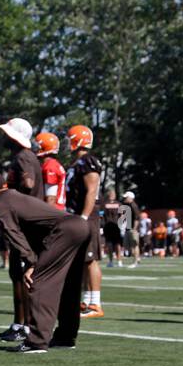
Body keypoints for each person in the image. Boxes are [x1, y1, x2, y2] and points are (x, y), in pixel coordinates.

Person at [0, 171, 87, 353]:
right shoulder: (14, 196)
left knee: (40, 283)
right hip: (79, 226)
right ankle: (65, 337)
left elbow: (13, 233)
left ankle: (36, 341)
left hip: (65, 231)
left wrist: (30, 263)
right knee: (69, 287)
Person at [0, 117, 41, 342]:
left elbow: (29, 183)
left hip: (25, 225)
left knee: (23, 275)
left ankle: (27, 325)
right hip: (22, 223)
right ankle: (19, 323)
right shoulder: (23, 156)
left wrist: (13, 199)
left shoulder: (23, 157)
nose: (4, 137)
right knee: (16, 274)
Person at [65, 125, 103, 317]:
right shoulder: (77, 163)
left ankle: (95, 303)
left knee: (90, 259)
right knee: (82, 260)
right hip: (77, 213)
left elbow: (92, 190)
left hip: (86, 214)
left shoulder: (88, 161)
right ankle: (86, 301)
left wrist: (84, 217)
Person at [120, 191, 141, 267]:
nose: (124, 198)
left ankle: (135, 262)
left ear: (130, 198)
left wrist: (134, 229)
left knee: (134, 245)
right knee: (130, 246)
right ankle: (137, 259)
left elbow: (137, 218)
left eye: (126, 197)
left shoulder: (133, 206)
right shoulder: (128, 206)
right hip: (128, 228)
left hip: (132, 228)